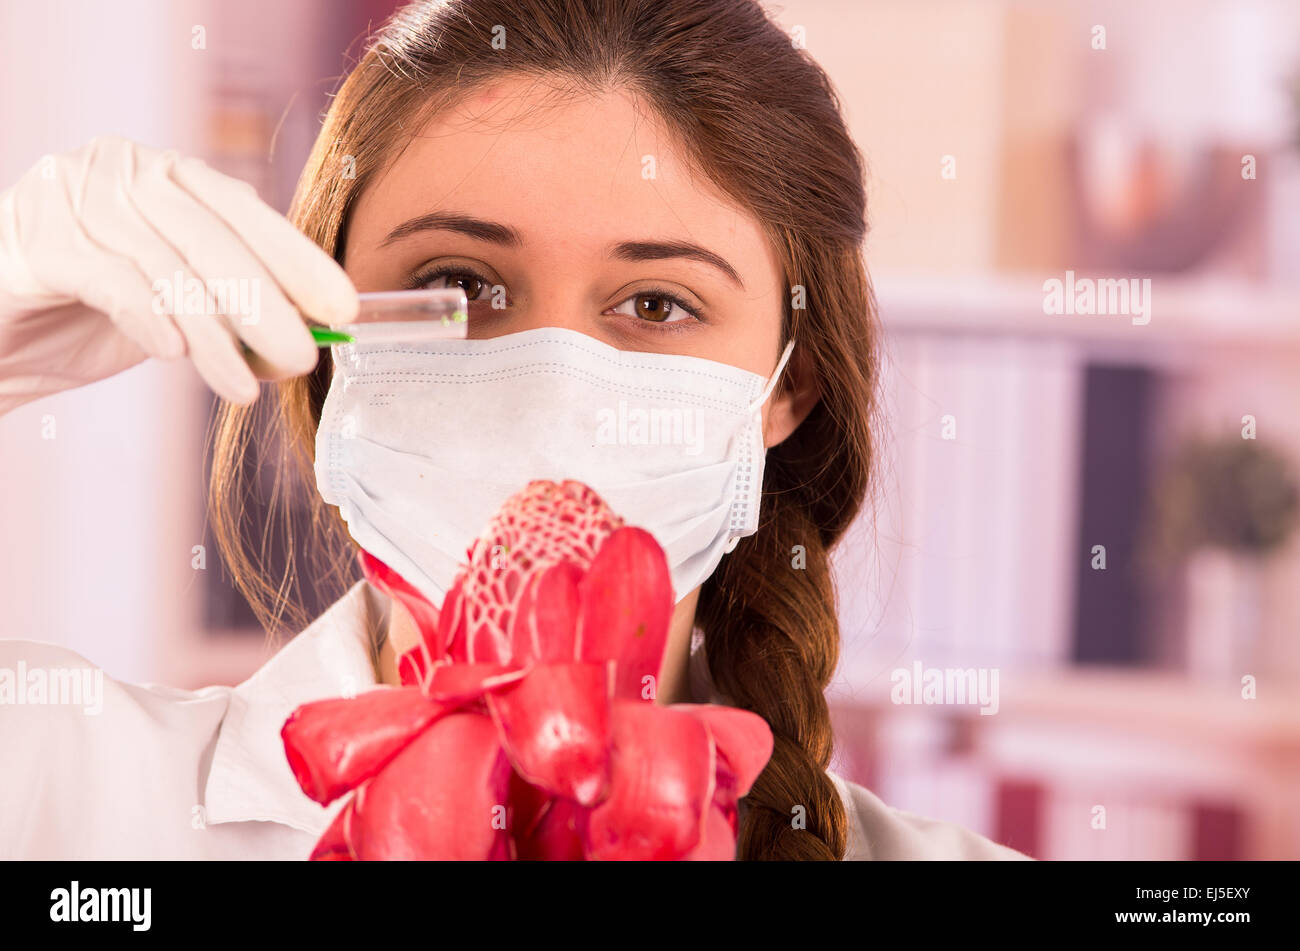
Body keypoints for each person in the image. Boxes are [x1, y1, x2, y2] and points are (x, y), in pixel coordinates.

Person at [0, 0, 1030, 861]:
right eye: (459, 283)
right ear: (321, 324)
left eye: (657, 303)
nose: (552, 386)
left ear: (787, 385)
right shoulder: (65, 799)